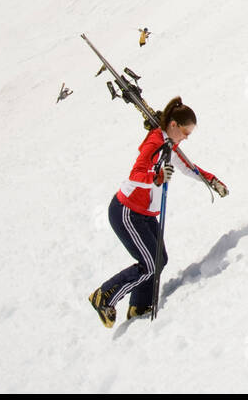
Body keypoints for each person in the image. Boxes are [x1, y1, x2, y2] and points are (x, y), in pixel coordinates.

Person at [89, 97, 212, 326]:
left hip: (144, 214)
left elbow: (186, 166)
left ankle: (139, 306)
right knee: (150, 263)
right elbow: (136, 173)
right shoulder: (155, 142)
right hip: (127, 211)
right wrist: (155, 178)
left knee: (159, 259)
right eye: (186, 132)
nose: (186, 138)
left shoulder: (169, 144)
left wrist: (210, 180)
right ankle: (104, 296)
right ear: (173, 125)